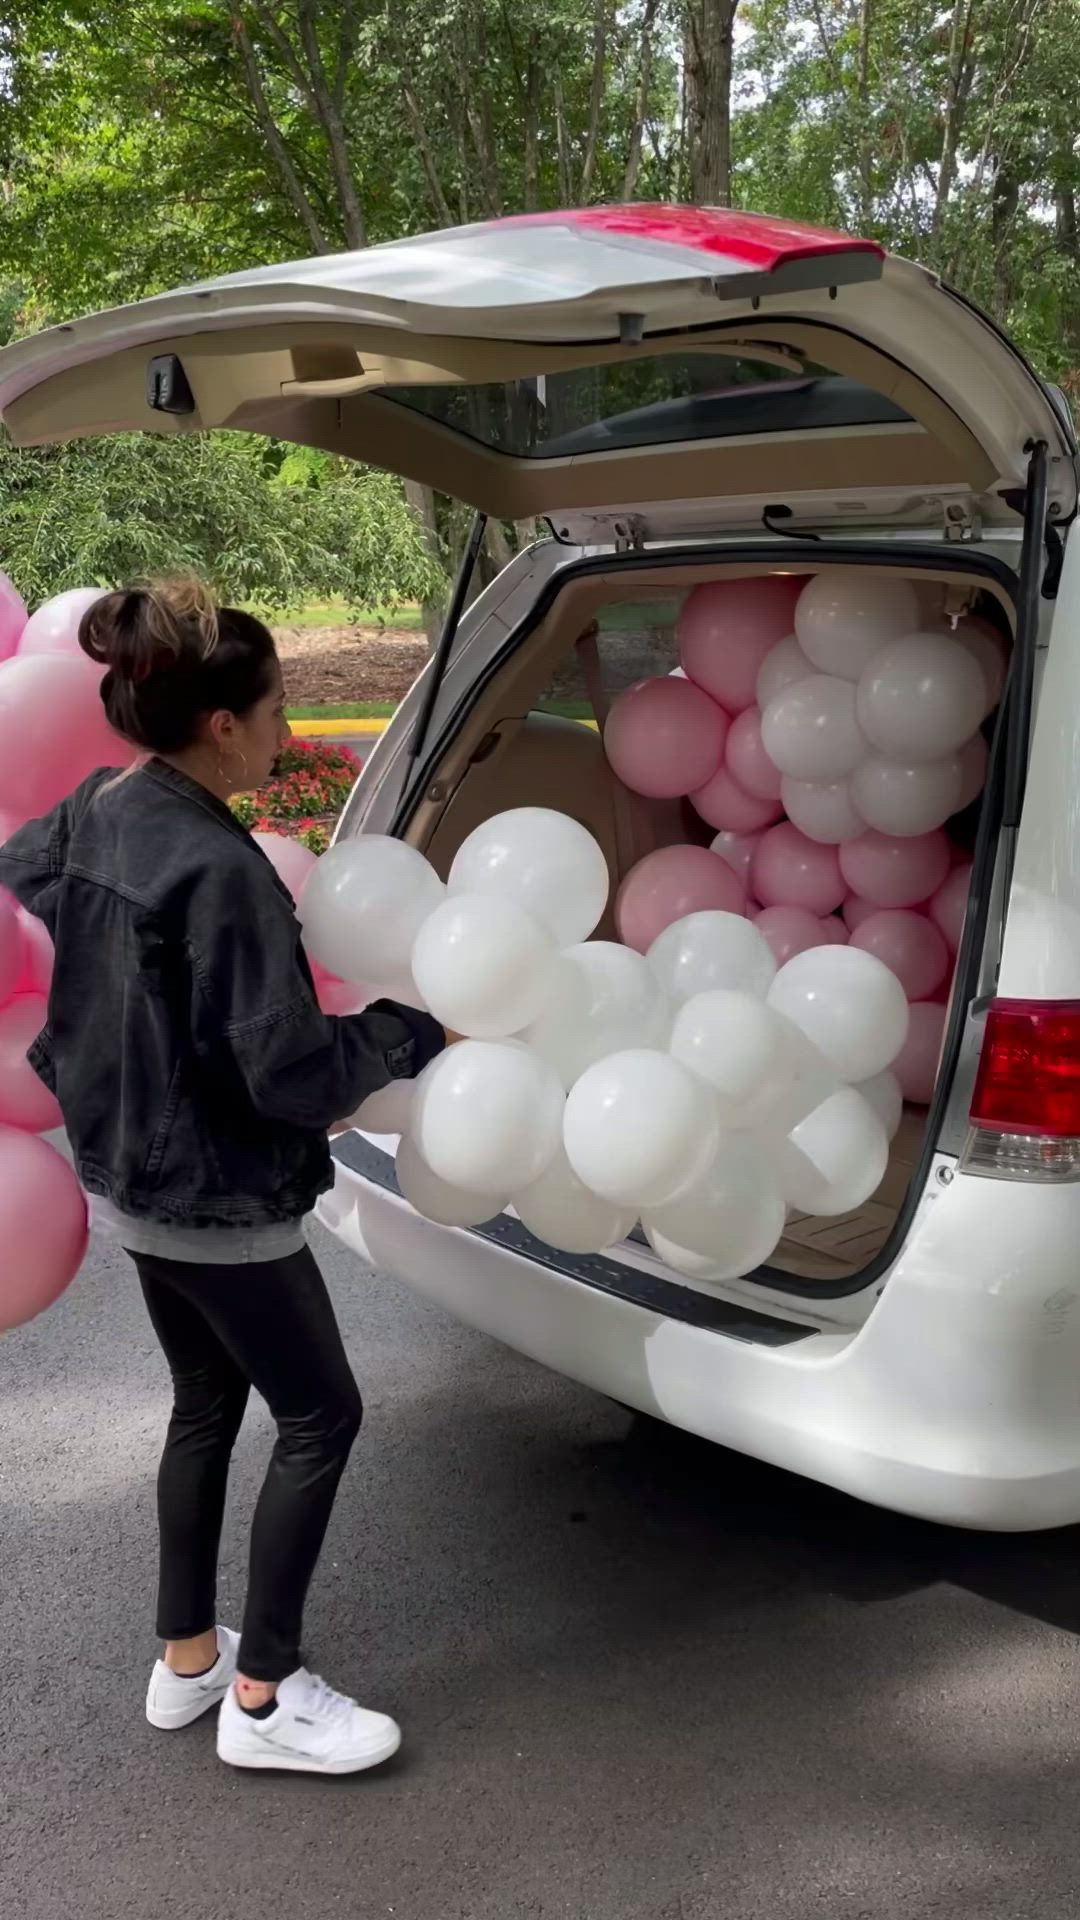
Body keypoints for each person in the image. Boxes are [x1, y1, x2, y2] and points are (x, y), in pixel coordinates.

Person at [0, 578, 445, 1776]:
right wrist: (410, 1033)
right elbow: (293, 1074)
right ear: (221, 726)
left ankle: (188, 1661)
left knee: (206, 1405)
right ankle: (267, 1697)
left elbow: (24, 869)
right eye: (280, 706)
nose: (290, 729)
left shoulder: (100, 804)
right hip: (215, 1197)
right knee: (321, 1414)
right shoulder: (227, 873)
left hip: (128, 1178)